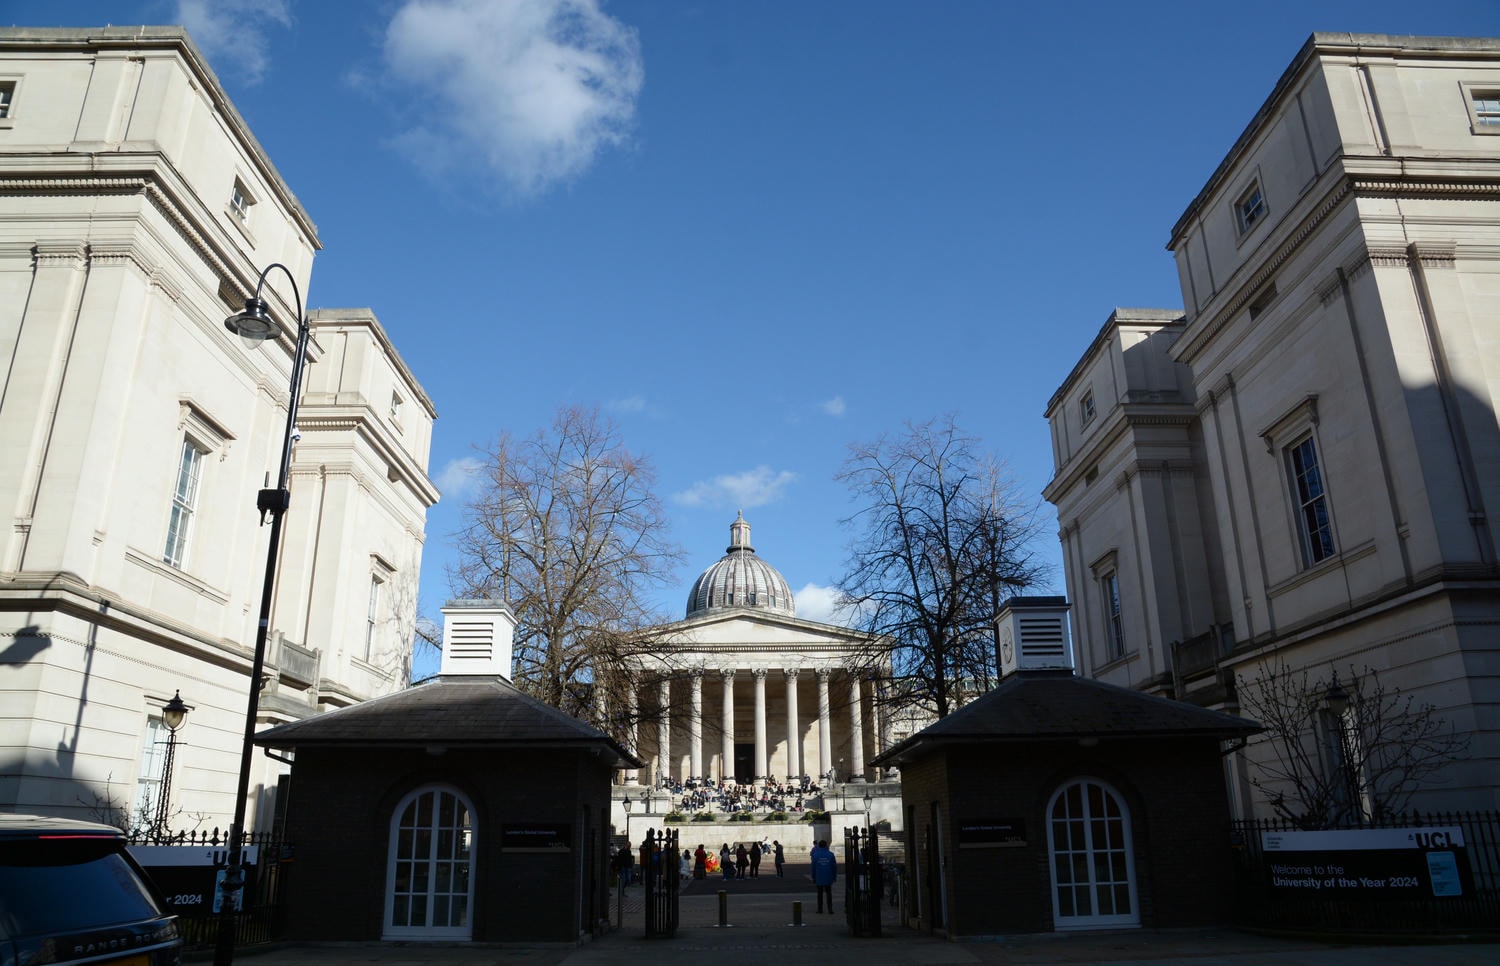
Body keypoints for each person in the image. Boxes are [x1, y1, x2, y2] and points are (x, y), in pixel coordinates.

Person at [810, 839, 837, 913]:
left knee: (819, 894)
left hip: (819, 877)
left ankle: (820, 909)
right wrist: (834, 877)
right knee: (829, 893)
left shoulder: (815, 855)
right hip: (828, 876)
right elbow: (834, 867)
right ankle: (830, 909)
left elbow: (813, 867)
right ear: (826, 845)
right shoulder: (831, 854)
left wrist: (813, 877)